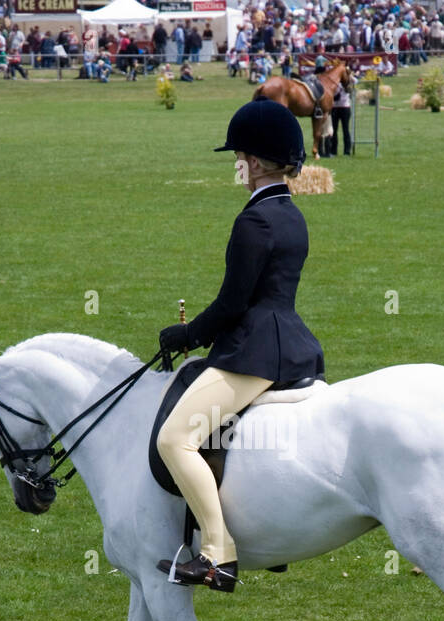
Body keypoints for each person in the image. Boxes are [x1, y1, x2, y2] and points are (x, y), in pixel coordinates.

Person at [155, 100, 324, 592]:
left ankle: (217, 552)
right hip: (291, 340)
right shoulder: (291, 213)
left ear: (254, 162)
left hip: (254, 351)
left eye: (240, 156)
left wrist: (186, 335)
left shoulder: (253, 222)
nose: (236, 164)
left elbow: (232, 304)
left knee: (175, 440)